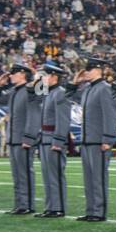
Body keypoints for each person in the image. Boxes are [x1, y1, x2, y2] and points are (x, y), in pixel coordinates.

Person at [71, 56, 116, 222]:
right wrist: (75, 82)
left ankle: (99, 211)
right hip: (87, 140)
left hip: (98, 141)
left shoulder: (104, 88)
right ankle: (90, 210)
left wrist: (107, 139)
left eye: (89, 70)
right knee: (89, 178)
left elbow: (110, 115)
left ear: (98, 70)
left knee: (98, 178)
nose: (86, 73)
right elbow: (68, 96)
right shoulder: (88, 88)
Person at [0, 64, 36, 213]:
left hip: (23, 139)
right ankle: (20, 204)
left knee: (25, 173)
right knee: (17, 174)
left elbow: (42, 95)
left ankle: (27, 205)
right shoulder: (14, 91)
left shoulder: (30, 91)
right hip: (13, 139)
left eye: (13, 73)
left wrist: (29, 137)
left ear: (23, 74)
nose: (10, 76)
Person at [35, 63, 71, 218]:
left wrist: (58, 141)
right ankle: (50, 207)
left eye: (45, 76)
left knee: (55, 174)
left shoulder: (60, 93)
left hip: (53, 140)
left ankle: (58, 207)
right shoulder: (48, 93)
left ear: (54, 77)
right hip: (44, 139)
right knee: (47, 175)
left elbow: (63, 120)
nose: (43, 79)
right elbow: (34, 91)